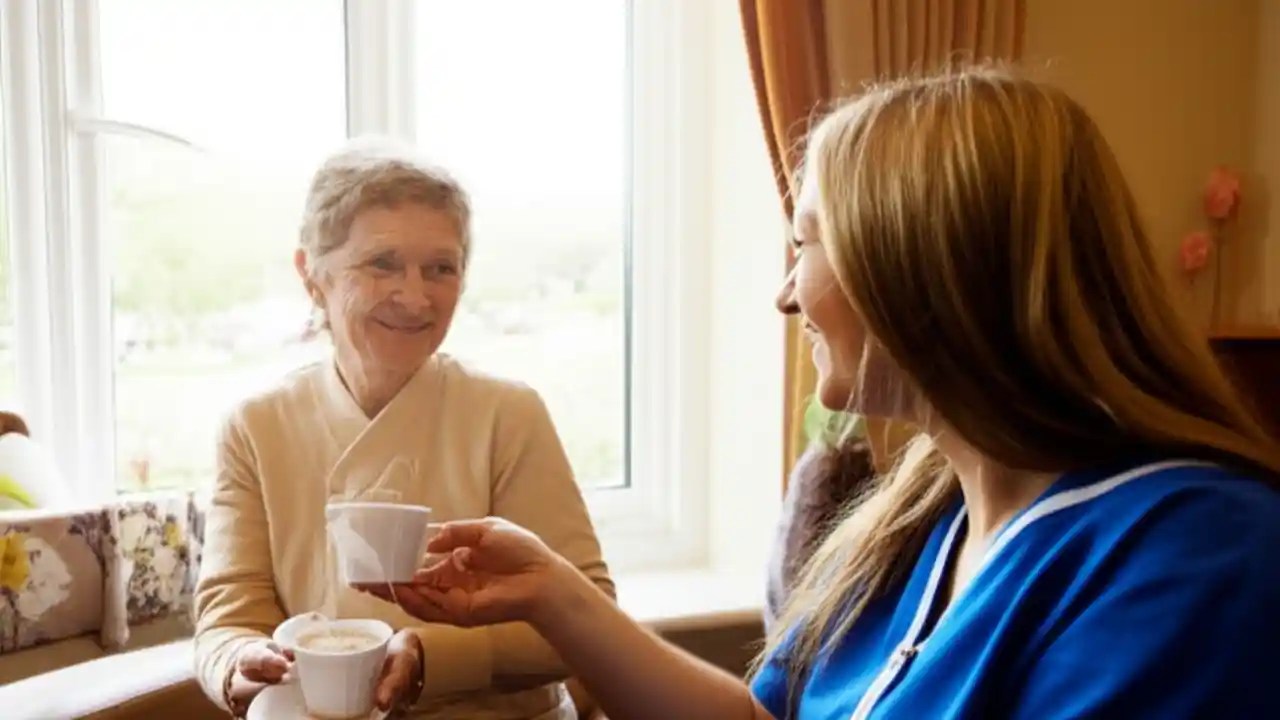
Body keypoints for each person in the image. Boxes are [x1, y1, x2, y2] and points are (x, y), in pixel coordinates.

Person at [361, 68, 1280, 719]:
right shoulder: (919, 523)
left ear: (924, 260)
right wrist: (555, 597)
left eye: (805, 242)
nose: (786, 291)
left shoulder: (1199, 558)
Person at [193, 138, 613, 719]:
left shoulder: (508, 414)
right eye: (383, 264)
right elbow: (228, 615)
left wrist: (429, 656)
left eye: (440, 268)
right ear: (312, 275)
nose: (415, 297)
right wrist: (239, 660)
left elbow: (588, 618)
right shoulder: (257, 427)